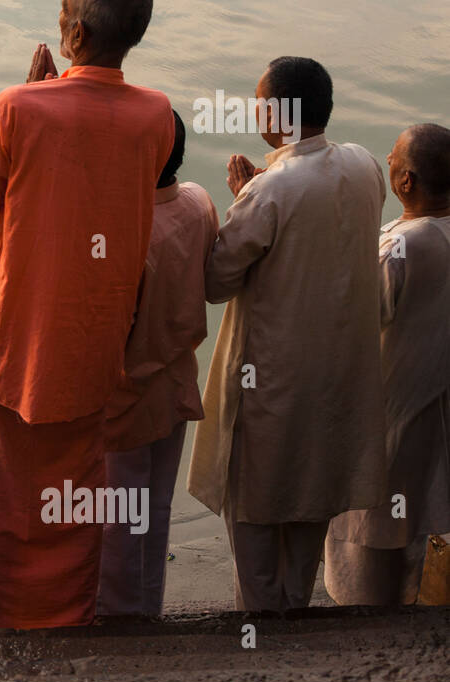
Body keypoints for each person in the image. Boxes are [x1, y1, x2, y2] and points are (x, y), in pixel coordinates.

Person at [0, 0, 174, 629]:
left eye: (61, 9)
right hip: (93, 350)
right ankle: (62, 630)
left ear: (72, 29)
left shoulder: (19, 108)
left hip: (13, 349)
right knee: (71, 506)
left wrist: (32, 99)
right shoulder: (156, 115)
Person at [188, 56, 387, 612]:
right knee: (312, 492)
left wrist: (241, 201)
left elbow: (215, 281)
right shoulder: (364, 164)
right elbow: (318, 222)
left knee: (254, 503)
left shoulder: (269, 192)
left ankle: (262, 625)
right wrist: (259, 194)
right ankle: (296, 612)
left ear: (278, 112)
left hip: (273, 376)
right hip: (339, 371)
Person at [97, 112, 218, 616]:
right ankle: (147, 609)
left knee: (118, 516)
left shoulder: (122, 227)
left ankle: (118, 618)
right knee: (154, 506)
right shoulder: (198, 201)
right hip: (174, 379)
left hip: (124, 392)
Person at [325, 124, 450, 605]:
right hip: (429, 410)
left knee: (369, 542)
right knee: (416, 523)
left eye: (394, 157)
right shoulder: (426, 236)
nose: (387, 158)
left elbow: (346, 318)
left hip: (386, 417)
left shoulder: (403, 247)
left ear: (406, 183)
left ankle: (370, 628)